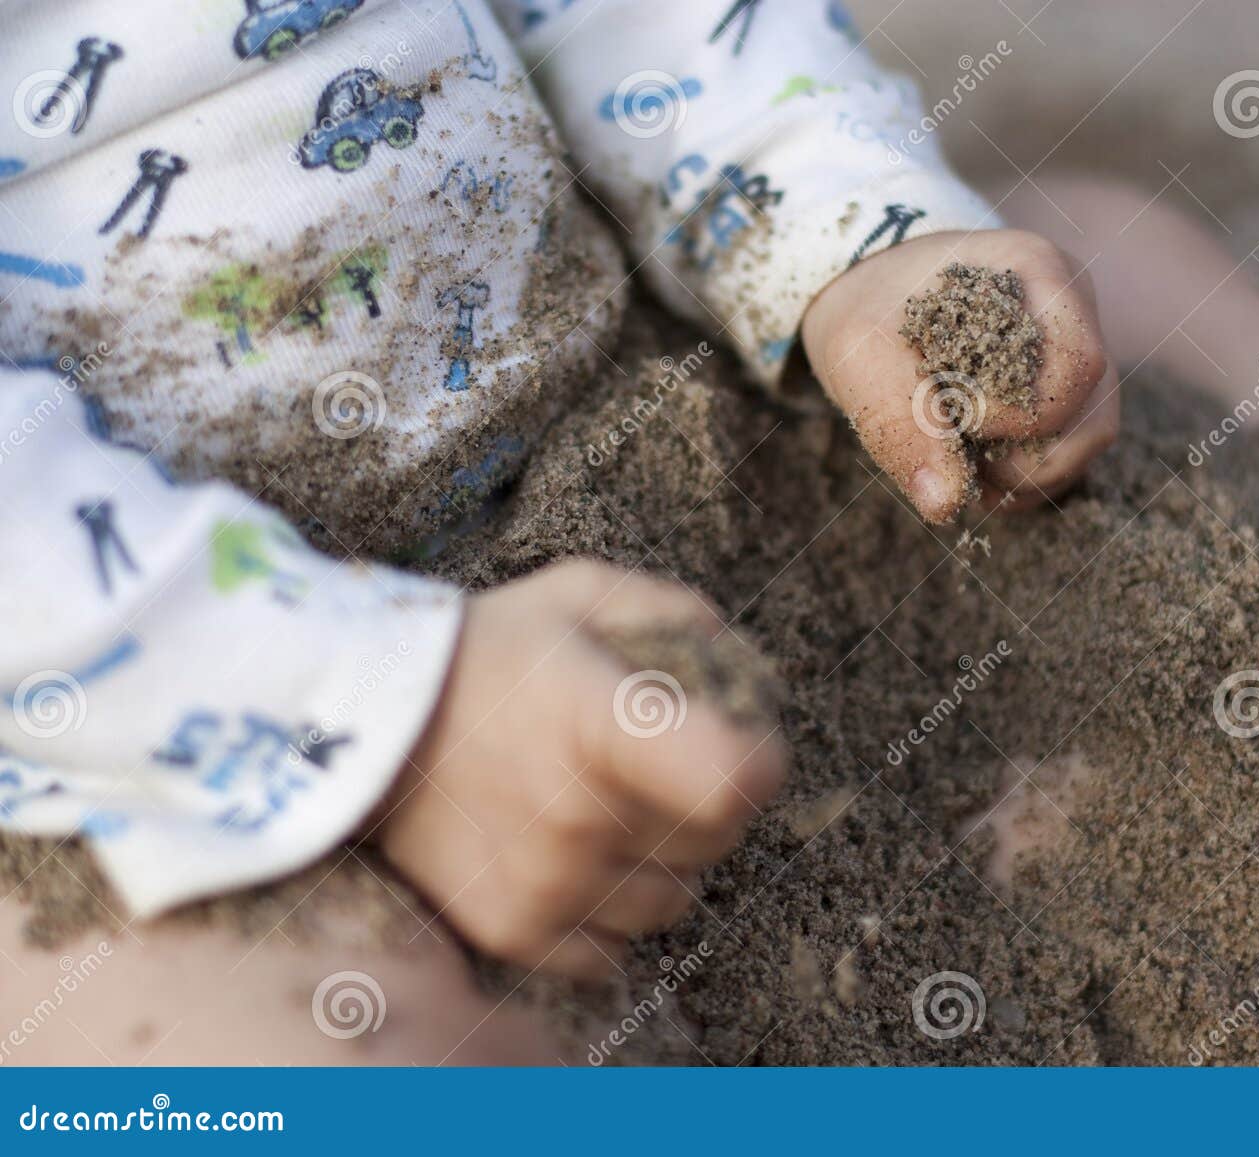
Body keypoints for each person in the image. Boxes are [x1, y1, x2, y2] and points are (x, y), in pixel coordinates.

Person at [0, 0, 1113, 1060]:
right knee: (342, 1047)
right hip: (134, 685)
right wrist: (383, 707)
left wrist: (848, 226)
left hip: (615, 415)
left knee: (1126, 257)